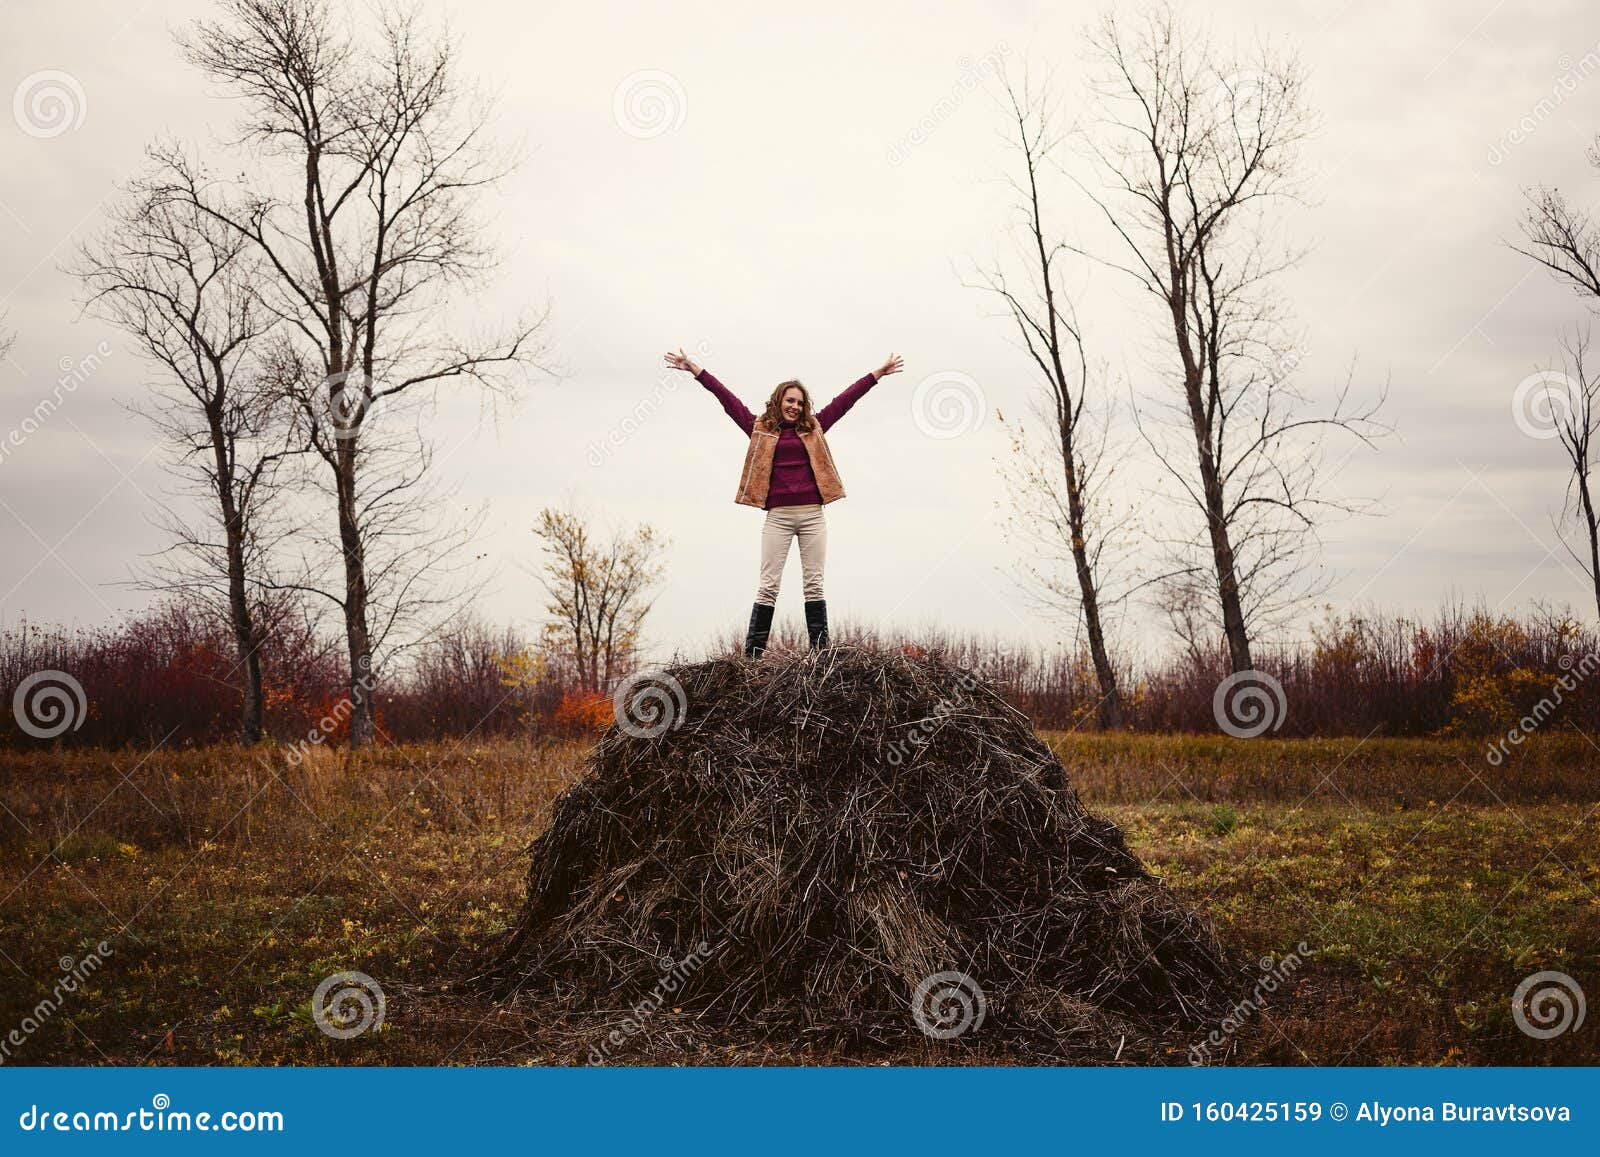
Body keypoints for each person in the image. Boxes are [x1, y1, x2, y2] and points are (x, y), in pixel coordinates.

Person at [662, 348, 904, 656]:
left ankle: (821, 656)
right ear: (778, 401)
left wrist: (877, 375)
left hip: (813, 515)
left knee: (814, 584)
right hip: (778, 517)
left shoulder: (814, 427)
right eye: (790, 400)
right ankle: (752, 657)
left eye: (800, 403)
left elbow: (844, 402)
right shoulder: (758, 429)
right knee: (768, 585)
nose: (795, 406)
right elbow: (727, 400)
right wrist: (697, 371)